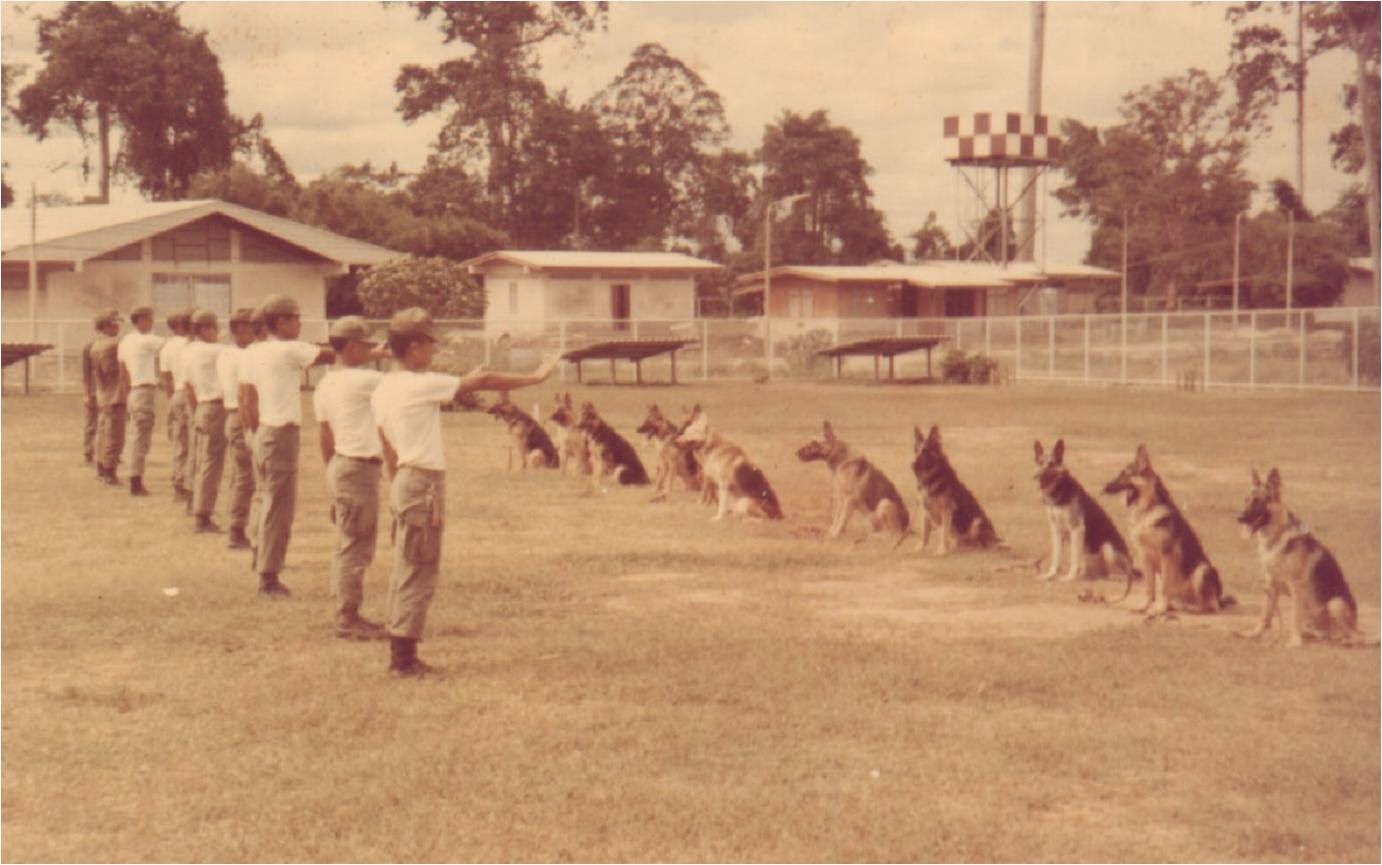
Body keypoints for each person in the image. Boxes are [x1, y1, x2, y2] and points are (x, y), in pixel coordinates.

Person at [371, 307, 558, 677]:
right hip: (422, 481)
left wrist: (397, 484)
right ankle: (403, 660)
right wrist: (535, 376)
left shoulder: (383, 388)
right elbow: (482, 378)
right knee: (419, 569)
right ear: (411, 347)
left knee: (407, 566)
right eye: (428, 344)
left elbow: (386, 446)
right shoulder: (416, 383)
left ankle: (401, 649)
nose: (432, 351)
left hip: (405, 478)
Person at [240, 295, 334, 598]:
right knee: (279, 506)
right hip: (280, 433)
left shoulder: (254, 351)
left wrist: (253, 433)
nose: (299, 323)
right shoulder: (288, 349)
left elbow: (246, 397)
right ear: (280, 322)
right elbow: (332, 355)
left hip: (264, 430)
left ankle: (261, 557)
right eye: (295, 318)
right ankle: (268, 575)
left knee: (264, 498)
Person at [313, 316, 392, 640]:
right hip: (358, 468)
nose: (372, 350)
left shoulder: (326, 383)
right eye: (367, 345)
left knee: (350, 543)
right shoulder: (363, 380)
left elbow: (324, 435)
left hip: (341, 465)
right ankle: (347, 616)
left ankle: (348, 612)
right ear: (353, 347)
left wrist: (331, 474)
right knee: (356, 546)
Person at [183, 309, 228, 533]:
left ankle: (196, 503)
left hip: (201, 405)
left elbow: (188, 387)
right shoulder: (215, 350)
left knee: (202, 461)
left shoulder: (189, 350)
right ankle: (202, 514)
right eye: (214, 328)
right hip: (216, 406)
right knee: (212, 464)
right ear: (206, 329)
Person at [218, 308, 257, 549]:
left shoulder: (226, 354)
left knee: (240, 475)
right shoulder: (240, 356)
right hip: (242, 416)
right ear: (240, 330)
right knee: (246, 478)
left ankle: (237, 525)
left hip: (233, 415)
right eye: (251, 328)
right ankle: (237, 529)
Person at [118, 305, 165, 496]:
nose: (152, 323)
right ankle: (135, 480)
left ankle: (134, 477)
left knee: (135, 436)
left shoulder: (125, 341)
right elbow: (170, 345)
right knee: (141, 439)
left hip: (133, 391)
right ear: (142, 320)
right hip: (143, 390)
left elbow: (122, 371)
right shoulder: (145, 340)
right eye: (149, 319)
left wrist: (129, 389)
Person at [158, 309, 193, 500]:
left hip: (176, 395)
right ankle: (184, 484)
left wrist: (171, 399)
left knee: (180, 441)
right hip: (189, 394)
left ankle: (178, 481)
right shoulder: (189, 345)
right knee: (191, 443)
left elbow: (166, 378)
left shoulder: (166, 347)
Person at [90, 310, 128, 485]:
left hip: (103, 394)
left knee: (102, 433)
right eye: (113, 324)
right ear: (105, 326)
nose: (117, 327)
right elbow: (114, 371)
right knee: (115, 436)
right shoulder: (113, 344)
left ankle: (100, 466)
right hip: (115, 394)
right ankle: (109, 472)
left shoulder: (96, 345)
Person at [81, 322, 100, 466]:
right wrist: (86, 393)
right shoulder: (89, 347)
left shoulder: (118, 345)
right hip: (94, 390)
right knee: (91, 422)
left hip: (110, 390)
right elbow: (85, 373)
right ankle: (88, 452)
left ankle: (110, 453)